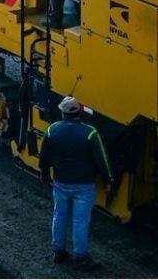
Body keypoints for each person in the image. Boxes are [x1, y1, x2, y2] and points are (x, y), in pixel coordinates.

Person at [40, 96, 112, 269]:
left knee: (59, 216)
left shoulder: (52, 130)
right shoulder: (90, 133)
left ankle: (58, 252)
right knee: (80, 220)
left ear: (63, 113)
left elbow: (44, 156)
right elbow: (101, 159)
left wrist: (44, 173)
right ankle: (81, 256)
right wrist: (108, 180)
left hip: (61, 182)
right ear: (79, 112)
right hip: (84, 185)